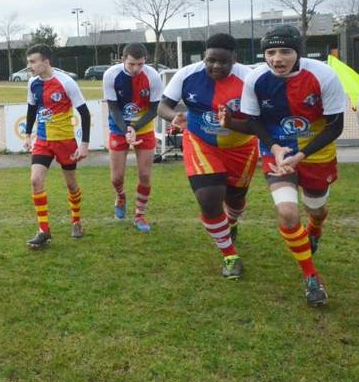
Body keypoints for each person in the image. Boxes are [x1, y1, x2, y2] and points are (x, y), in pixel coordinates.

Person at [232, 25, 345, 306]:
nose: (277, 58)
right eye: (270, 52)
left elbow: (336, 126)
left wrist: (303, 154)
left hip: (315, 153)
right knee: (287, 213)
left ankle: (315, 229)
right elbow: (254, 121)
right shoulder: (256, 78)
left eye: (285, 51)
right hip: (277, 152)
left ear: (298, 52)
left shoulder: (323, 75)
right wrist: (274, 146)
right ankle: (311, 277)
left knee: (315, 210)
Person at [158, 34, 257, 280]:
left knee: (235, 200)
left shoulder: (251, 78)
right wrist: (174, 117)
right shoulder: (187, 75)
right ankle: (230, 256)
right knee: (209, 198)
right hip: (201, 142)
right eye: (210, 60)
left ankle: (231, 224)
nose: (216, 66)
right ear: (204, 57)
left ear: (234, 59)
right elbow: (162, 105)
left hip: (241, 146)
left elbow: (261, 119)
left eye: (223, 62)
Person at [23, 44, 90, 248]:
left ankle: (76, 220)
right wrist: (27, 135)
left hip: (65, 141)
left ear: (46, 62)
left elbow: (85, 113)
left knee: (71, 184)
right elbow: (31, 109)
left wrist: (84, 144)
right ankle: (44, 230)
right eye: (29, 62)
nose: (30, 66)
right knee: (35, 180)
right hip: (43, 141)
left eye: (33, 62)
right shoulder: (33, 83)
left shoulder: (66, 82)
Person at [102, 43, 162, 232]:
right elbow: (113, 108)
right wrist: (127, 129)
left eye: (140, 64)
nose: (136, 69)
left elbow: (154, 110)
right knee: (116, 178)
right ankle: (120, 196)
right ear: (123, 60)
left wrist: (135, 128)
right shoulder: (111, 74)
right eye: (131, 64)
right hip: (119, 127)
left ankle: (139, 215)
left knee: (144, 175)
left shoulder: (153, 76)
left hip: (143, 128)